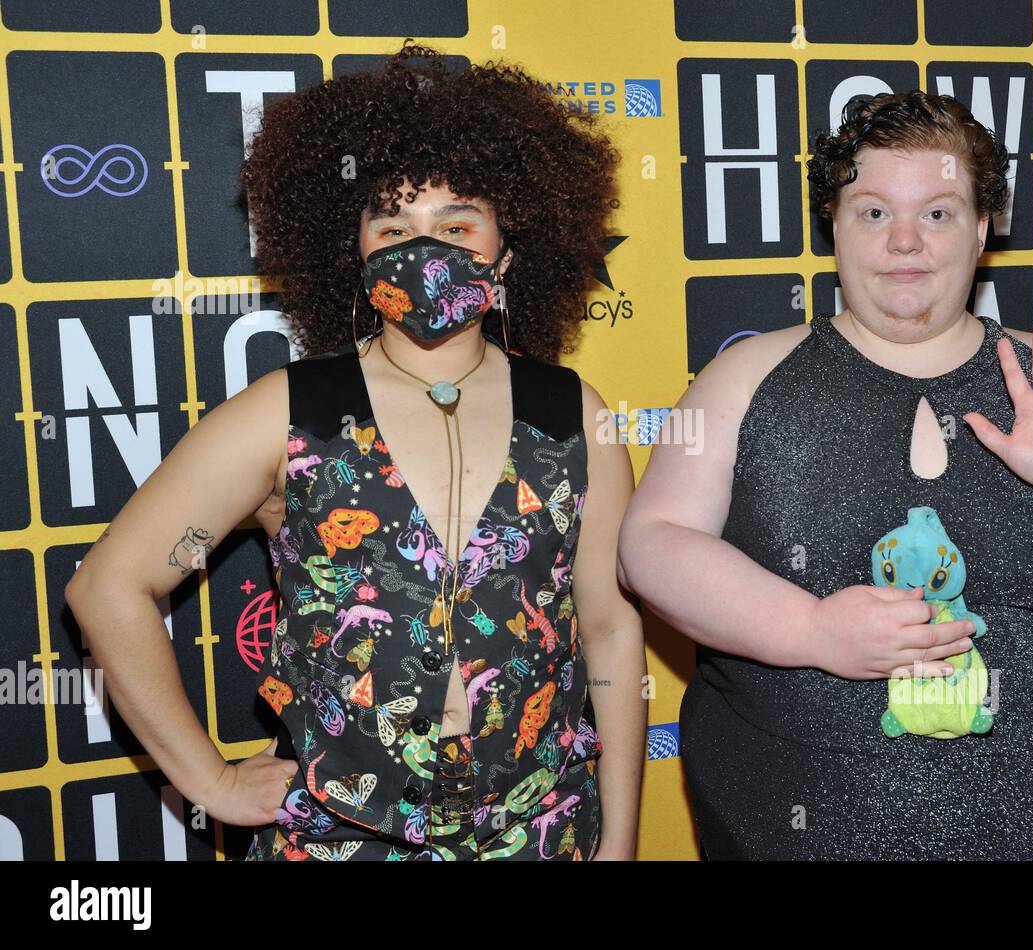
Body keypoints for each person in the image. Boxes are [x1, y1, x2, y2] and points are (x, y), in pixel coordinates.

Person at [66, 41, 646, 861]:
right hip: (343, 841)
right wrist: (213, 784)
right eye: (393, 224)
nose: (425, 248)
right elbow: (112, 586)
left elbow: (609, 627)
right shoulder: (289, 414)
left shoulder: (569, 412)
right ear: (357, 251)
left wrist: (618, 842)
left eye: (456, 223)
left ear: (508, 250)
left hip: (541, 835)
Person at [617, 90, 1033, 860]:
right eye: (872, 212)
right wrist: (812, 630)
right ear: (833, 221)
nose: (905, 241)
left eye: (938, 212)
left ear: (983, 225)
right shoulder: (745, 379)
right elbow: (651, 545)